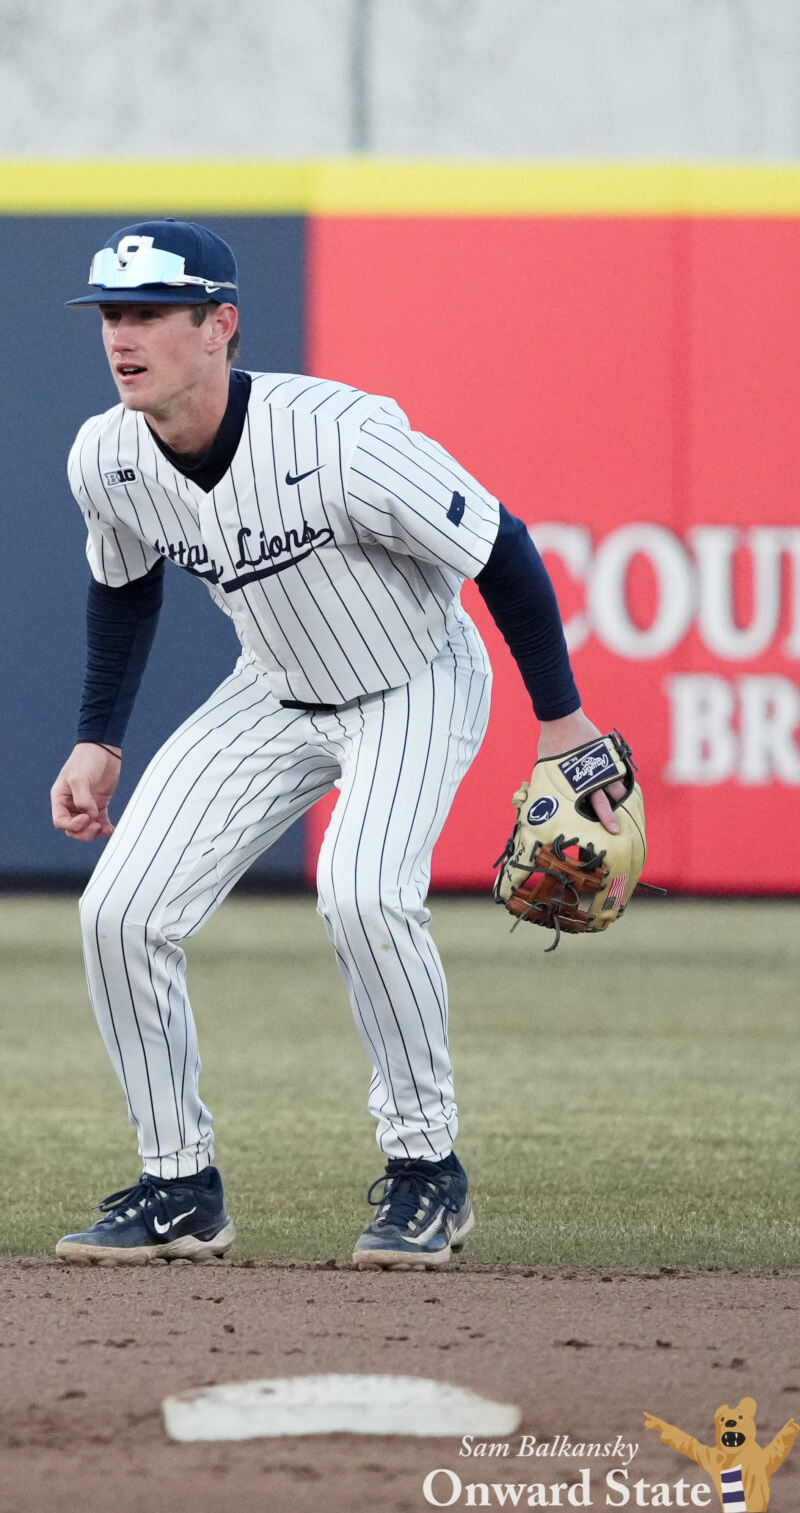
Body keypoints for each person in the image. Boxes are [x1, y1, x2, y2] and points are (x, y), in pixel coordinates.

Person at [46, 221, 626, 1269]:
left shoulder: (340, 437)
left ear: (217, 325)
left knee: (362, 894)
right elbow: (121, 589)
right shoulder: (106, 455)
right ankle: (179, 1188)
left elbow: (500, 545)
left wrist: (562, 719)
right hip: (271, 690)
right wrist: (99, 739)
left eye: (147, 314)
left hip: (414, 676)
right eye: (110, 316)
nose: (120, 337)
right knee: (117, 913)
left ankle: (424, 1174)